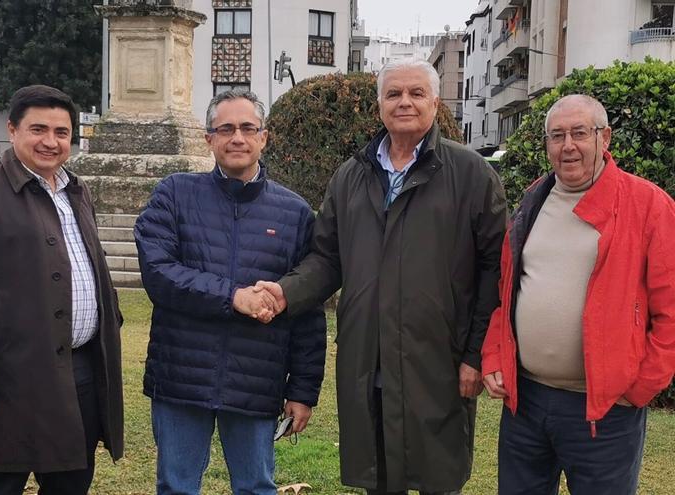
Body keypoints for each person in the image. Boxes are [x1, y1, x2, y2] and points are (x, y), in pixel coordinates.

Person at [250, 59, 507, 494]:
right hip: (368, 359)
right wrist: (285, 292)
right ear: (379, 105)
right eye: (393, 94)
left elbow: (494, 272)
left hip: (438, 363)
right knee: (379, 480)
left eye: (415, 93)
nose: (404, 102)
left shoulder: (471, 175)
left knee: (437, 477)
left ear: (435, 101)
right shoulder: (352, 177)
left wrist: (476, 354)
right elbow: (327, 258)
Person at [134, 89, 327, 495]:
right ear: (209, 138)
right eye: (225, 128)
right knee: (176, 486)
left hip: (257, 378)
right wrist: (234, 297)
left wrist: (303, 390)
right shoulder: (174, 194)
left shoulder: (294, 214)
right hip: (182, 376)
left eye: (247, 128)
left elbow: (307, 307)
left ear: (263, 137)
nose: (236, 137)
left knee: (257, 487)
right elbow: (160, 274)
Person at [481, 94, 675, 495]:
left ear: (605, 138)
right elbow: (508, 291)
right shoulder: (535, 199)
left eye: (580, 133)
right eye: (557, 135)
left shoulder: (648, 206)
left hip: (604, 412)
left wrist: (637, 388)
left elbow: (671, 312)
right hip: (527, 403)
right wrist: (494, 354)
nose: (568, 145)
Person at [0, 85, 124, 495]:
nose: (50, 141)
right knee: (0, 482)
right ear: (12, 130)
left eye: (61, 132)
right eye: (38, 129)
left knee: (71, 482)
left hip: (81, 370)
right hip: (10, 377)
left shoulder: (76, 190)